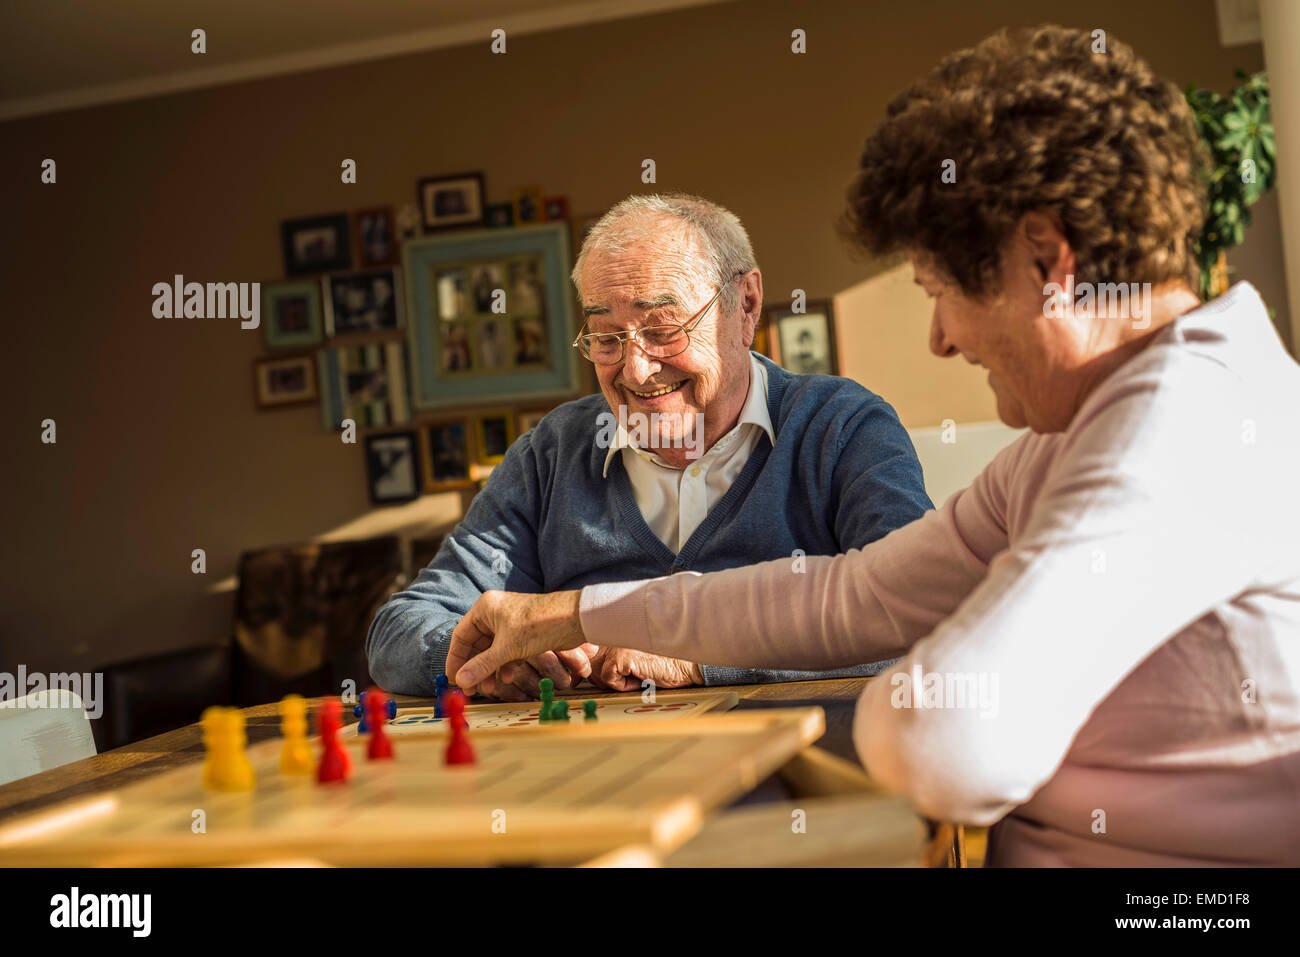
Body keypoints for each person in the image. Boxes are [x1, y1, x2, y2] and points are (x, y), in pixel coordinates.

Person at [446, 27, 1300, 866]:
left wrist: (918, 673)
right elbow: (850, 592)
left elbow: (942, 739)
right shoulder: (1083, 434)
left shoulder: (1186, 424)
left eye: (940, 292)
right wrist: (564, 614)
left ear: (1046, 257)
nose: (938, 339)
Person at [367, 193, 933, 700]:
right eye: (607, 338)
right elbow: (398, 631)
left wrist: (698, 657)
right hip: (608, 794)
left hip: (799, 790)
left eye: (664, 329)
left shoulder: (841, 430)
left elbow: (922, 614)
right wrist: (494, 652)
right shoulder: (551, 455)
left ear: (747, 305)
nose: (636, 370)